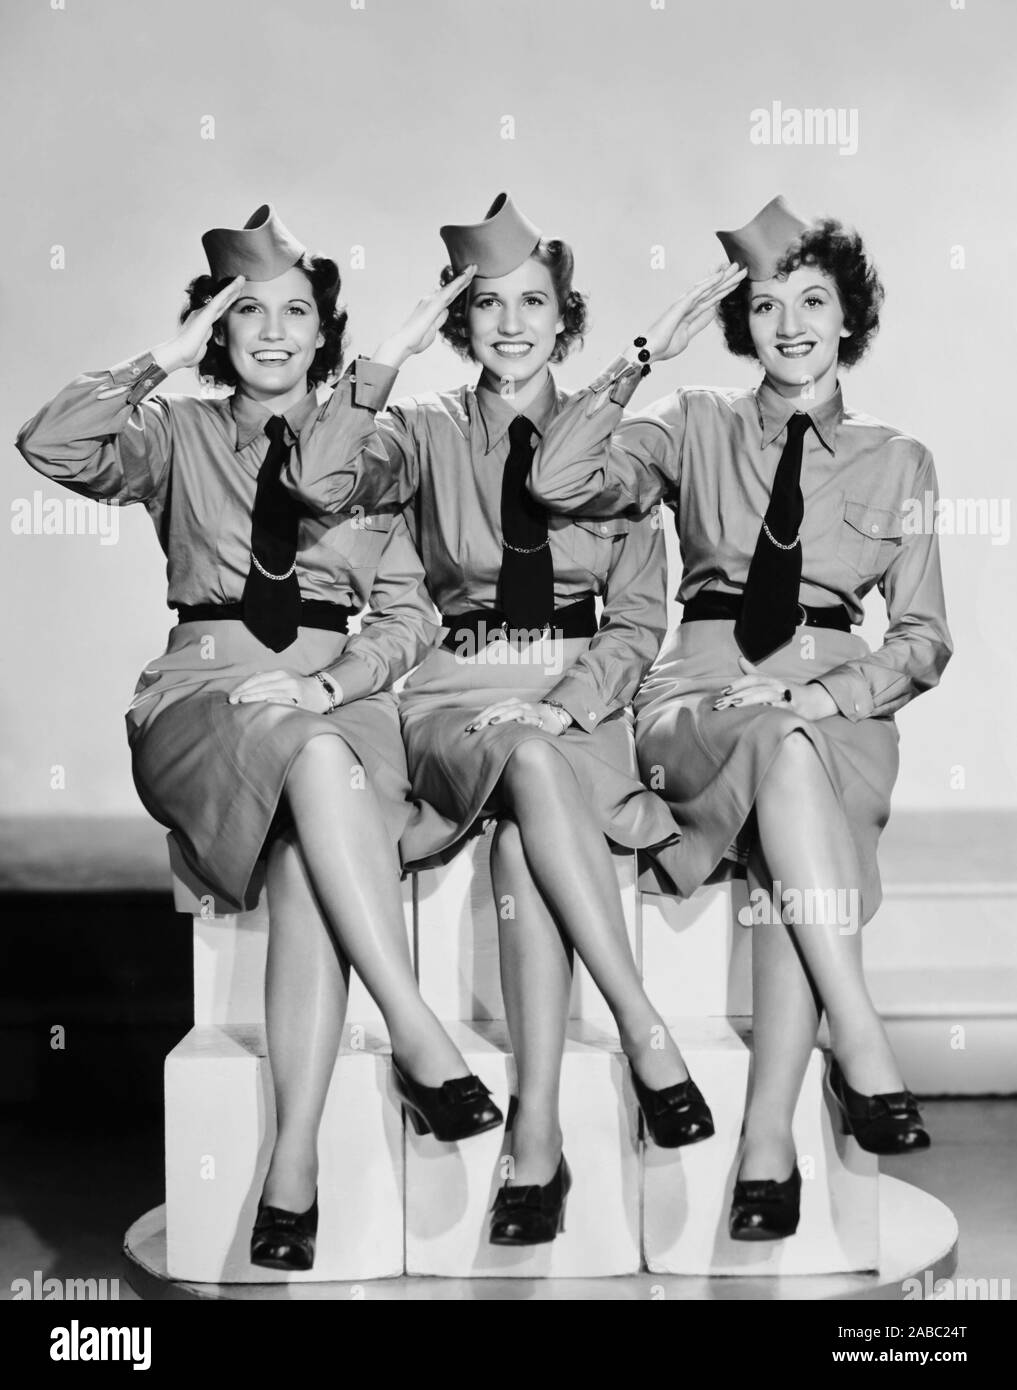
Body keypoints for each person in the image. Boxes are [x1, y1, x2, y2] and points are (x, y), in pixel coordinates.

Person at [15, 204, 502, 1273]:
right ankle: (416, 1031)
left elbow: (411, 615)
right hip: (210, 698)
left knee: (306, 836)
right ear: (220, 333)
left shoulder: (372, 453)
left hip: (337, 691)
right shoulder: (176, 435)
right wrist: (163, 358)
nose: (272, 331)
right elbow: (49, 443)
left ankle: (292, 1171)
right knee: (309, 757)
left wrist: (334, 678)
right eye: (245, 314)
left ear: (326, 333)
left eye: (294, 312)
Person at [289, 194, 743, 1245]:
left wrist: (564, 701)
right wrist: (383, 361)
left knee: (524, 825)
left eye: (532, 301)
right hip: (453, 694)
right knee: (525, 769)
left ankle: (536, 1133)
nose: (510, 323)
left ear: (565, 316)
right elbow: (318, 479)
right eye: (487, 305)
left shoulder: (614, 445)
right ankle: (643, 1033)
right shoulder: (421, 430)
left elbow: (636, 625)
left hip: (574, 706)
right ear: (462, 321)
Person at [529, 195, 952, 1241]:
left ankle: (770, 1138)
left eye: (814, 300)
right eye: (767, 305)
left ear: (849, 316)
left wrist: (823, 692)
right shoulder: (695, 423)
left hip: (832, 702)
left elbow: (925, 638)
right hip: (704, 693)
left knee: (795, 755)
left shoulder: (900, 459)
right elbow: (557, 476)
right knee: (777, 748)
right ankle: (854, 1049)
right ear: (743, 322)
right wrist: (643, 354)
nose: (792, 323)